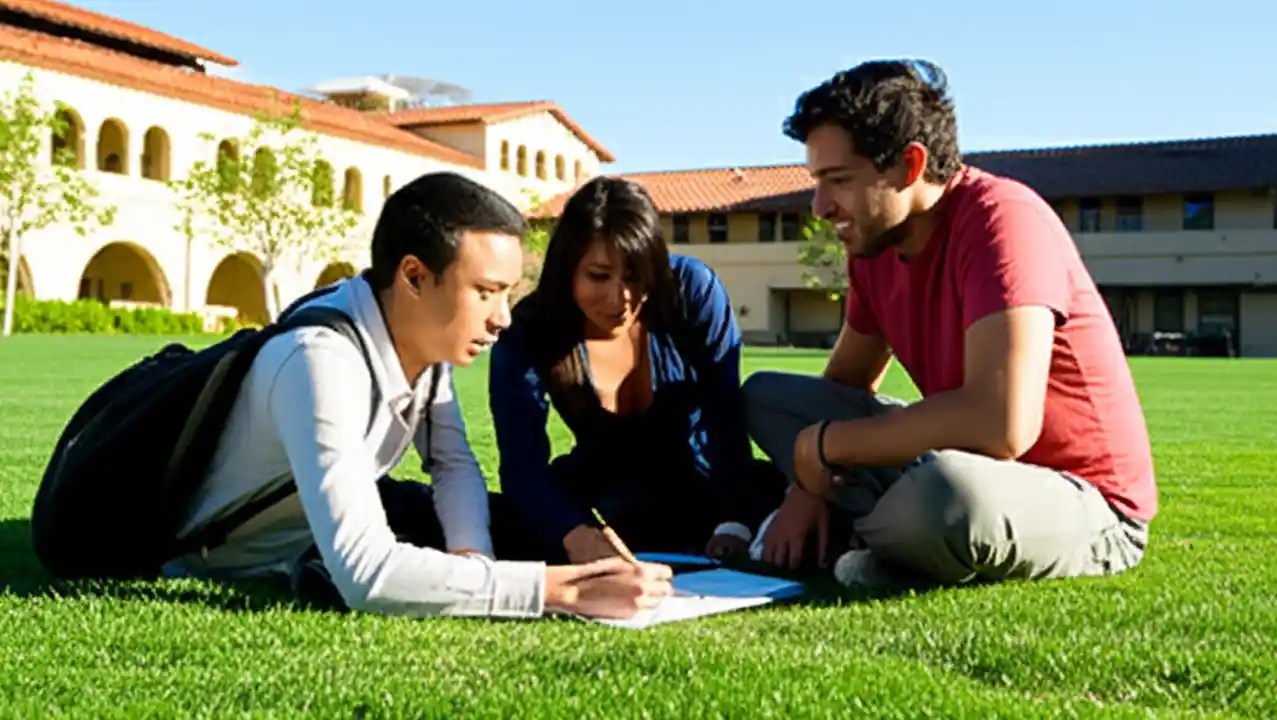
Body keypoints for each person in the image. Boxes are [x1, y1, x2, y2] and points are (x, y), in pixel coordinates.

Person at [163, 171, 672, 620]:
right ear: (414, 276)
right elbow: (367, 573)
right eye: (485, 292)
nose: (503, 318)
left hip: (307, 540)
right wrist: (562, 591)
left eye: (508, 294)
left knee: (510, 520)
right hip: (227, 562)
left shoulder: (417, 341)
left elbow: (452, 463)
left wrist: (475, 567)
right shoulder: (317, 361)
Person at [744, 60, 1157, 590]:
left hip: (1085, 501)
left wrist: (827, 448)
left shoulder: (1003, 220)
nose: (821, 207)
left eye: (839, 181)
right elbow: (845, 386)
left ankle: (872, 541)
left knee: (947, 495)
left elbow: (1001, 422)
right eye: (817, 182)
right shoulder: (874, 245)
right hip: (957, 463)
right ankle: (881, 540)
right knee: (767, 398)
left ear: (909, 165)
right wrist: (806, 486)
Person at [488, 176, 786, 565]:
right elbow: (521, 465)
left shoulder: (691, 291)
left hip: (702, 479)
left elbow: (724, 416)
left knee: (778, 502)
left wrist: (734, 521)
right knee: (508, 520)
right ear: (567, 269)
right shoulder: (529, 328)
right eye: (598, 276)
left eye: (634, 275)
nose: (620, 298)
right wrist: (575, 533)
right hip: (605, 488)